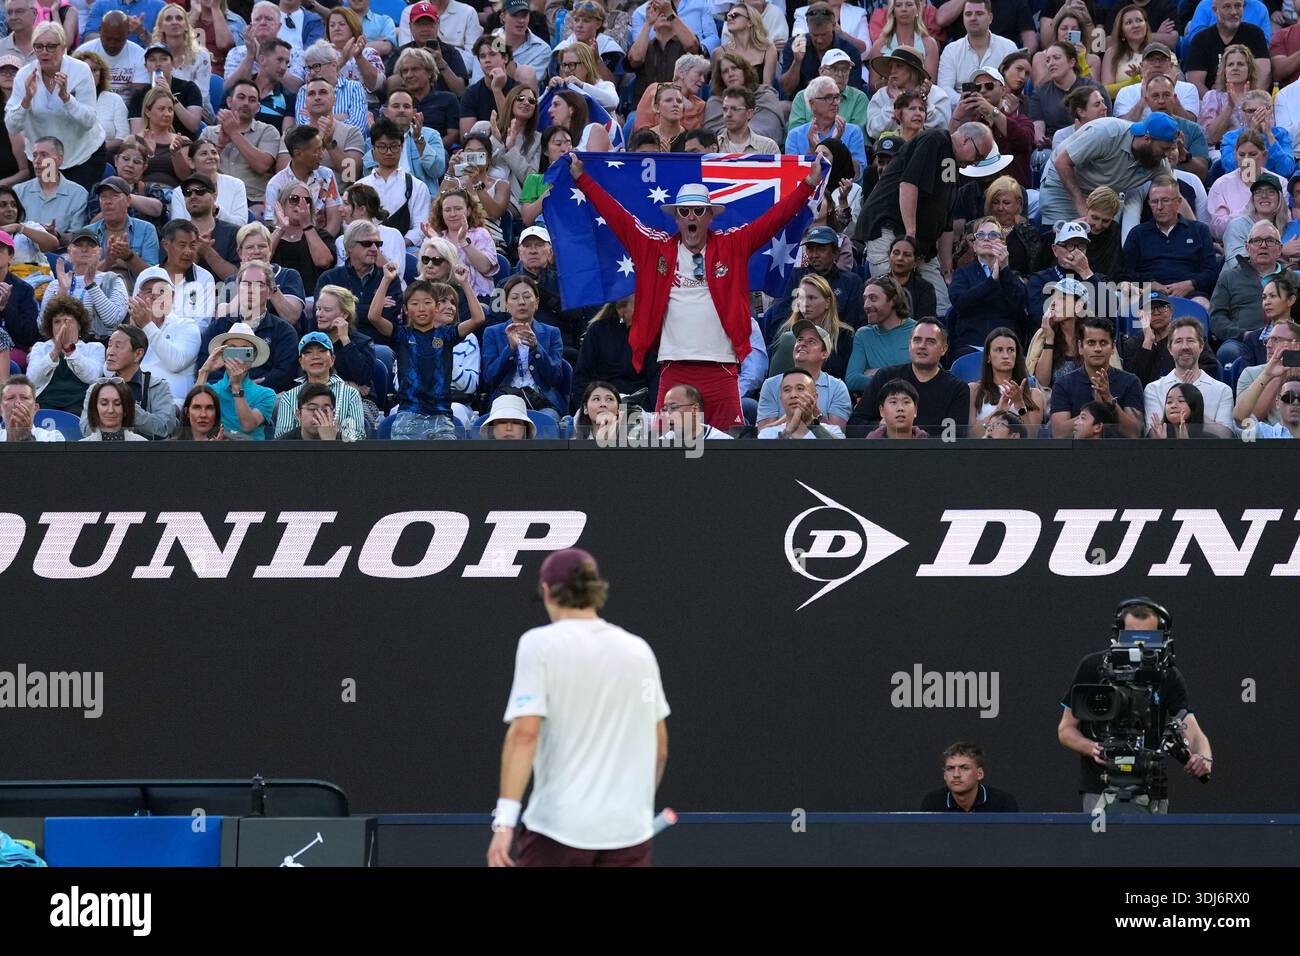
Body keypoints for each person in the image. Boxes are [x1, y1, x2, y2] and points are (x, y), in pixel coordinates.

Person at [572, 152, 822, 430]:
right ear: (677, 218)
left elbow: (774, 219)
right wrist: (583, 179)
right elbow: (618, 217)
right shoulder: (656, 249)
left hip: (722, 367)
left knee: (728, 447)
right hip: (674, 367)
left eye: (698, 211)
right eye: (684, 211)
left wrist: (809, 184)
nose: (691, 216)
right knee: (669, 448)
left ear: (710, 216)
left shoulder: (732, 245)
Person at [486, 545, 670, 866]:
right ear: (595, 589)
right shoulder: (639, 651)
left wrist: (504, 823)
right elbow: (659, 749)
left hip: (559, 831)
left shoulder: (538, 645)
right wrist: (633, 809)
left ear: (546, 591)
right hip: (628, 833)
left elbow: (524, 736)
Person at [1058, 599, 1212, 813]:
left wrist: (1203, 756)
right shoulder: (1093, 667)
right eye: (1131, 637)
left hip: (1152, 788)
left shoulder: (1167, 674)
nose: (1139, 645)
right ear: (1119, 633)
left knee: (1150, 847)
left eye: (1148, 638)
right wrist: (1092, 748)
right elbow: (1066, 729)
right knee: (1100, 846)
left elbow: (1191, 729)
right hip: (1099, 787)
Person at [860, 123, 996, 318]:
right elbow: (908, 184)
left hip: (923, 244)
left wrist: (947, 267)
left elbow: (946, 220)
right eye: (979, 155)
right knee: (890, 302)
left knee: (942, 305)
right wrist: (910, 236)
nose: (977, 162)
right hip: (890, 231)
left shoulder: (953, 165)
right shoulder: (936, 140)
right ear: (966, 139)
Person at [385, 264, 485, 439]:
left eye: (453, 302)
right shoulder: (405, 337)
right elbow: (397, 385)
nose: (450, 307)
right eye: (444, 301)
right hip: (409, 411)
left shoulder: (456, 336)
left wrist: (465, 284)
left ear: (434, 306)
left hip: (446, 410)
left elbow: (478, 318)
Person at [5, 22, 105, 196]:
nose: (44, 52)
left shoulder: (80, 71)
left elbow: (89, 121)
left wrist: (67, 98)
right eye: (38, 46)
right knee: (50, 200)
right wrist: (26, 100)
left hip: (82, 155)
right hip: (45, 159)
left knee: (76, 203)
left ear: (63, 47)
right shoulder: (24, 75)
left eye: (51, 46)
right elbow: (12, 126)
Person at [1038, 113, 1176, 228]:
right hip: (1064, 184)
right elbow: (1062, 162)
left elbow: (1174, 196)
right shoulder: (1107, 133)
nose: (1168, 154)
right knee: (1061, 239)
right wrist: (1081, 207)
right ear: (1147, 139)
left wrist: (1192, 225)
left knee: (1101, 245)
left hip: (1101, 196)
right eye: (1164, 149)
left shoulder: (1158, 161)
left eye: (1171, 148)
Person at [846, 320, 968, 436]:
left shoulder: (957, 389)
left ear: (944, 349)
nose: (922, 346)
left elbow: (953, 438)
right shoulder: (885, 377)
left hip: (931, 456)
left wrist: (912, 434)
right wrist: (881, 427)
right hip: (885, 453)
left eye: (930, 341)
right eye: (917, 340)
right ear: (909, 345)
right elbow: (854, 426)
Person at [1121, 175, 1217, 312]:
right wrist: (1149, 284)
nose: (1159, 207)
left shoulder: (1199, 230)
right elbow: (1125, 272)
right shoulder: (1138, 233)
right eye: (1154, 202)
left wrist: (1191, 284)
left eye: (1165, 200)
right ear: (1149, 204)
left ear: (1178, 202)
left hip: (1191, 293)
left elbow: (1211, 271)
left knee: (1202, 306)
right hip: (1148, 293)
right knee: (1129, 304)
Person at [201, 260, 297, 393]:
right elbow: (204, 362)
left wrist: (250, 388)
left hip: (263, 397)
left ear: (270, 292)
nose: (251, 290)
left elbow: (285, 372)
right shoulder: (219, 327)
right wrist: (228, 387)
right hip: (221, 395)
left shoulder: (284, 332)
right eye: (246, 284)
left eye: (259, 285)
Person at [481, 274, 566, 416]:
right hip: (505, 399)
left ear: (537, 302)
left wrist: (536, 348)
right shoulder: (492, 333)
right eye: (514, 298)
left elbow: (555, 377)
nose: (521, 302)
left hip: (542, 400)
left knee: (546, 420)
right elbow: (490, 378)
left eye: (527, 297)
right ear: (506, 305)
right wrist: (510, 349)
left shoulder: (552, 333)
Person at [199, 77, 284, 214]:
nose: (246, 103)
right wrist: (219, 146)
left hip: (253, 199)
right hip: (216, 196)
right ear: (229, 102)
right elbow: (198, 170)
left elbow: (262, 166)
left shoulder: (269, 131)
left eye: (252, 100)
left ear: (257, 107)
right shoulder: (209, 132)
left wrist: (234, 133)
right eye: (241, 97)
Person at [1048, 316, 1144, 437]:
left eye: (1103, 343)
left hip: (1119, 453)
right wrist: (1096, 409)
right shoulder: (1063, 384)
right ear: (1080, 347)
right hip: (1075, 454)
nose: (1097, 349)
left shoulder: (1130, 382)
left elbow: (1135, 433)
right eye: (1091, 343)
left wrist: (1109, 401)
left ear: (1113, 347)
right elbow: (1059, 433)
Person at [946, 216, 1028, 356]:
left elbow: (1020, 305)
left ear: (1002, 243)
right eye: (981, 235)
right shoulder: (963, 273)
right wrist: (992, 280)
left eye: (993, 235)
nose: (986, 238)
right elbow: (959, 302)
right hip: (971, 346)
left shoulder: (1011, 275)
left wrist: (1004, 271)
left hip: (1006, 348)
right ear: (975, 245)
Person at [768, 224, 865, 339]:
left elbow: (855, 325)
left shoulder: (851, 282)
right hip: (797, 342)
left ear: (835, 253)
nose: (814, 255)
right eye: (810, 249)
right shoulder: (793, 277)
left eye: (821, 249)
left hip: (837, 346)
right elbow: (779, 320)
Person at [82, 323, 177, 437]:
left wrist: (130, 408)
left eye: (118, 346)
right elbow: (85, 431)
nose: (110, 352)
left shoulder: (158, 386)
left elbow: (166, 428)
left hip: (147, 452)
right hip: (106, 452)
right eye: (110, 345)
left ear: (138, 354)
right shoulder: (95, 389)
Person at [1141, 317, 1233, 432]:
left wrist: (1192, 402)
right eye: (1178, 341)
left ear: (1201, 346)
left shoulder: (1222, 390)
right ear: (1170, 349)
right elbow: (1154, 436)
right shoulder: (1153, 389)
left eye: (1190, 340)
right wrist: (1179, 394)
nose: (1185, 347)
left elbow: (1225, 436)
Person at [756, 319, 851, 428]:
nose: (802, 343)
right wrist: (793, 415)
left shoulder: (837, 388)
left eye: (811, 341)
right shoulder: (770, 385)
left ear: (824, 354)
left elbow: (838, 439)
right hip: (783, 444)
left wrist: (815, 413)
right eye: (800, 339)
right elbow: (763, 436)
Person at [192, 320, 277, 440]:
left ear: (253, 356)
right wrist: (204, 370)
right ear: (223, 354)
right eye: (232, 350)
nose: (238, 356)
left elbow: (248, 425)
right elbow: (192, 416)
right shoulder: (211, 390)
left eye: (245, 351)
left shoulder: (266, 394)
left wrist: (236, 387)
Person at [949, 64, 1032, 185]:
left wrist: (992, 110)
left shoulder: (1020, 120)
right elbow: (950, 150)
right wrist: (957, 116)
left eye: (989, 86)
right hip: (975, 190)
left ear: (1003, 90)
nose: (982, 91)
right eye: (977, 88)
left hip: (1011, 190)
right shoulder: (971, 122)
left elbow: (1023, 141)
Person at [126, 266, 198, 405]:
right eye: (147, 291)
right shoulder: (130, 330)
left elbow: (176, 363)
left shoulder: (187, 326)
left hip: (172, 406)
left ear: (172, 296)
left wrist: (147, 326)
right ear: (138, 298)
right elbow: (109, 370)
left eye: (161, 290)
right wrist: (132, 334)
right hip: (132, 403)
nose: (154, 295)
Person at [571, 293, 658, 408]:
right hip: (600, 404)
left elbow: (655, 381)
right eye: (619, 306)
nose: (622, 312)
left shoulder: (651, 334)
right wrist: (585, 410)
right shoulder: (597, 331)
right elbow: (581, 376)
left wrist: (650, 414)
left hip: (638, 405)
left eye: (625, 305)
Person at [273, 330, 364, 440]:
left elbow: (358, 438)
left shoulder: (351, 394)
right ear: (301, 362)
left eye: (322, 351)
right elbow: (282, 441)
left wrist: (332, 438)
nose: (315, 356)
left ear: (332, 359)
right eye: (308, 352)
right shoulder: (289, 397)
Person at [42, 227, 129, 340]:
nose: (84, 249)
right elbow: (42, 325)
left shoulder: (112, 280)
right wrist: (62, 292)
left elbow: (113, 320)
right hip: (60, 342)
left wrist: (91, 284)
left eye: (91, 245)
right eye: (78, 245)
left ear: (100, 252)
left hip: (98, 344)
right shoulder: (56, 283)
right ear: (69, 250)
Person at [26, 293, 103, 412]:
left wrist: (69, 350)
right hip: (44, 405)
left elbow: (92, 377)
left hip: (81, 406)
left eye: (68, 321)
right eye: (57, 321)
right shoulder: (40, 348)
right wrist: (56, 351)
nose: (63, 326)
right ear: (50, 326)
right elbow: (32, 381)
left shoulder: (95, 348)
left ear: (79, 325)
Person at [263, 124, 342, 238]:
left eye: (322, 148)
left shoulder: (326, 175)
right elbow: (272, 225)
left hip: (322, 242)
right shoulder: (276, 184)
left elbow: (334, 219)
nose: (322, 155)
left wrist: (322, 243)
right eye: (317, 150)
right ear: (298, 154)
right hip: (288, 243)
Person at [1125, 289, 1218, 385]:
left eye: (1162, 307)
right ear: (1141, 315)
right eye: (1150, 309)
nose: (1156, 313)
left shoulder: (1190, 336)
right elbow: (1134, 383)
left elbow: (1211, 367)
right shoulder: (1132, 344)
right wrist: (1148, 342)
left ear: (1171, 310)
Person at [785, 75, 866, 180]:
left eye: (837, 97)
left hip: (842, 193)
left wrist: (836, 146)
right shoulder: (795, 136)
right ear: (812, 103)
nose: (836, 102)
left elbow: (858, 174)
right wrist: (812, 150)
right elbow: (793, 176)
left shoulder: (852, 131)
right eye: (828, 98)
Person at [936, 0, 1018, 103]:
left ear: (990, 18)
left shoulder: (1008, 48)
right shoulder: (951, 51)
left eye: (979, 13)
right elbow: (944, 90)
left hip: (999, 112)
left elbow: (1013, 87)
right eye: (968, 14)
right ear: (963, 18)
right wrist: (970, 102)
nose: (973, 18)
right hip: (962, 111)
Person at [845, 274, 916, 392]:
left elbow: (927, 375)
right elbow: (852, 380)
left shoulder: (917, 331)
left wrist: (878, 373)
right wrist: (903, 378)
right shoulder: (863, 335)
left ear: (893, 300)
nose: (866, 305)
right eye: (865, 299)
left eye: (873, 298)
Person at [779, 1, 863, 100]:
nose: (819, 40)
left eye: (824, 34)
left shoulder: (849, 50)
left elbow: (852, 95)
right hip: (801, 105)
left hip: (838, 105)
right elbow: (787, 89)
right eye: (814, 35)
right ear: (807, 26)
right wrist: (797, 62)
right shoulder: (794, 45)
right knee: (783, 107)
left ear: (834, 25)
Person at [1183, 0, 1270, 95]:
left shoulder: (1255, 34)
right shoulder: (1201, 39)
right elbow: (1195, 82)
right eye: (1227, 7)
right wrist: (1214, 103)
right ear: (1215, 10)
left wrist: (1247, 102)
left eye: (1238, 6)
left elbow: (1264, 75)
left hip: (1249, 101)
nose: (1234, 12)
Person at [12, 136, 88, 244]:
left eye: (44, 155)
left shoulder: (78, 194)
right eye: (34, 156)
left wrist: (56, 235)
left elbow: (77, 237)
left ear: (59, 159)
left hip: (59, 255)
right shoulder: (18, 191)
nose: (37, 161)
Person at [700, 50, 783, 145]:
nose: (730, 74)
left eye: (734, 68)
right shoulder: (714, 102)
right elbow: (712, 136)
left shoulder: (765, 95)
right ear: (721, 78)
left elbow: (770, 128)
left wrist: (740, 136)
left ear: (745, 71)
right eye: (725, 71)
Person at [968, 326, 1044, 430]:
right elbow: (970, 436)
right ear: (988, 356)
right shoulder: (973, 390)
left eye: (1011, 350)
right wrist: (998, 412)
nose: (1005, 356)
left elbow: (1031, 439)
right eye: (999, 350)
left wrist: (1019, 405)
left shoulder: (1034, 394)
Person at [223, 3, 306, 95]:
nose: (263, 22)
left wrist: (269, 61)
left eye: (269, 19)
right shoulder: (236, 52)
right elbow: (229, 89)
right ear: (251, 25)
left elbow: (296, 88)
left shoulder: (294, 52)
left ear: (279, 26)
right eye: (258, 19)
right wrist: (250, 56)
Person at [1233, 312, 1300, 426]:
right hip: (1266, 440)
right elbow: (1245, 420)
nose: (1268, 345)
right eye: (1267, 340)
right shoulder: (1250, 374)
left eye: (1276, 340)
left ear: (1296, 345)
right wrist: (1276, 377)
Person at [127, 42, 202, 138]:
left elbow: (193, 126)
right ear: (146, 67)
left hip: (184, 143)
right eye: (152, 60)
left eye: (164, 59)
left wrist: (171, 96)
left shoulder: (189, 88)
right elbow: (136, 134)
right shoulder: (139, 95)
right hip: (151, 145)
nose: (158, 64)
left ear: (173, 64)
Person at [169, 139, 248, 228]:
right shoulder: (180, 192)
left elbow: (241, 224)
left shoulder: (236, 185)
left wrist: (216, 210)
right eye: (204, 153)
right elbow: (177, 228)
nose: (211, 157)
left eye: (214, 153)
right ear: (191, 162)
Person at [920, 742, 1020, 812]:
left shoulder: (1003, 803)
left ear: (979, 774)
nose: (956, 775)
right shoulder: (933, 803)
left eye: (964, 768)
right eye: (950, 768)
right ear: (944, 775)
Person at [794, 46, 873, 133]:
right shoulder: (802, 97)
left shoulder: (859, 98)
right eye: (834, 69)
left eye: (845, 69)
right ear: (821, 71)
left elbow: (857, 137)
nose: (840, 74)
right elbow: (795, 135)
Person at [865, 0, 939, 86]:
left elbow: (931, 83)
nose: (904, 9)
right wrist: (889, 84)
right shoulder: (879, 45)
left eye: (909, 4)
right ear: (892, 11)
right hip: (888, 97)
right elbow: (872, 86)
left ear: (918, 9)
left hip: (920, 97)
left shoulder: (929, 44)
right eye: (898, 5)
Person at [756, 367, 845, 439]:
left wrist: (812, 424)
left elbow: (839, 456)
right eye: (787, 390)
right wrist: (788, 432)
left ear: (815, 397)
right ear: (781, 399)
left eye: (800, 388)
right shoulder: (768, 434)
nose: (793, 395)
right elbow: (766, 459)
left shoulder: (833, 431)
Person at [72, 49, 129, 154]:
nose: (91, 74)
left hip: (106, 156)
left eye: (95, 70)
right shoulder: (68, 100)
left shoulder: (115, 100)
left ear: (101, 73)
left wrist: (95, 149)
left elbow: (123, 138)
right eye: (86, 69)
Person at [0, 227, 38, 351]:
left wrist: (5, 307)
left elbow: (29, 337)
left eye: (0, 249)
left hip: (13, 349)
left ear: (11, 255)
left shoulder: (24, 290)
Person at [658, 381, 731, 443]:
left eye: (673, 407)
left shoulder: (724, 442)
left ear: (695, 409)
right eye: (665, 409)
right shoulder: (661, 443)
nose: (667, 414)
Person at [0, 372, 64, 439]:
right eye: (10, 398)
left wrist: (26, 435)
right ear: (1, 409)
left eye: (25, 397)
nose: (18, 402)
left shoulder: (52, 437)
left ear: (35, 408)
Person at [79, 377, 147, 440]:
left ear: (126, 408)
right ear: (95, 407)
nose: (110, 410)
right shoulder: (79, 448)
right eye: (104, 404)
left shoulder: (144, 445)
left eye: (117, 404)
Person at [1242, 373, 1300, 437]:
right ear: (1277, 403)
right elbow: (1239, 419)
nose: (1295, 402)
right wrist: (1267, 374)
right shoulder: (1263, 433)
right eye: (1288, 397)